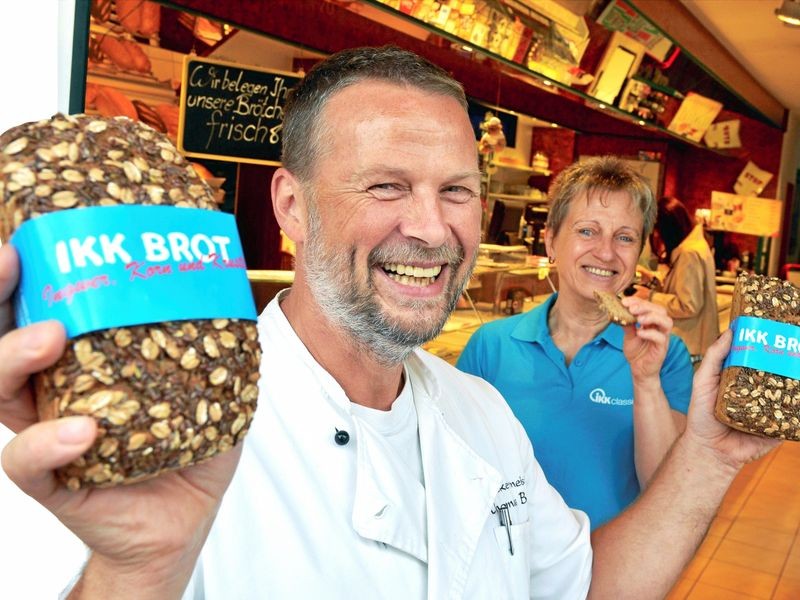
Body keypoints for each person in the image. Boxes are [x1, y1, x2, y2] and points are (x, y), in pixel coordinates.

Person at [0, 46, 779, 599]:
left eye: (457, 191)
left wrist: (709, 455)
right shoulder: (142, 437)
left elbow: (587, 586)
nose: (433, 229)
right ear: (291, 206)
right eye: (385, 185)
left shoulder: (481, 414)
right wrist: (139, 578)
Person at [457, 157, 694, 528]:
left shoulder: (666, 356)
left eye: (625, 237)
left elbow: (662, 490)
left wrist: (645, 381)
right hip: (510, 565)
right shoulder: (491, 347)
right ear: (551, 240)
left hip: (611, 568)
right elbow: (457, 472)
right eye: (587, 231)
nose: (605, 252)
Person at [636, 196, 720, 363]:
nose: (658, 237)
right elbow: (681, 287)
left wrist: (650, 297)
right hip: (693, 344)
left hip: (690, 346)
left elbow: (688, 305)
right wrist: (653, 280)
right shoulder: (694, 246)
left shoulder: (689, 254)